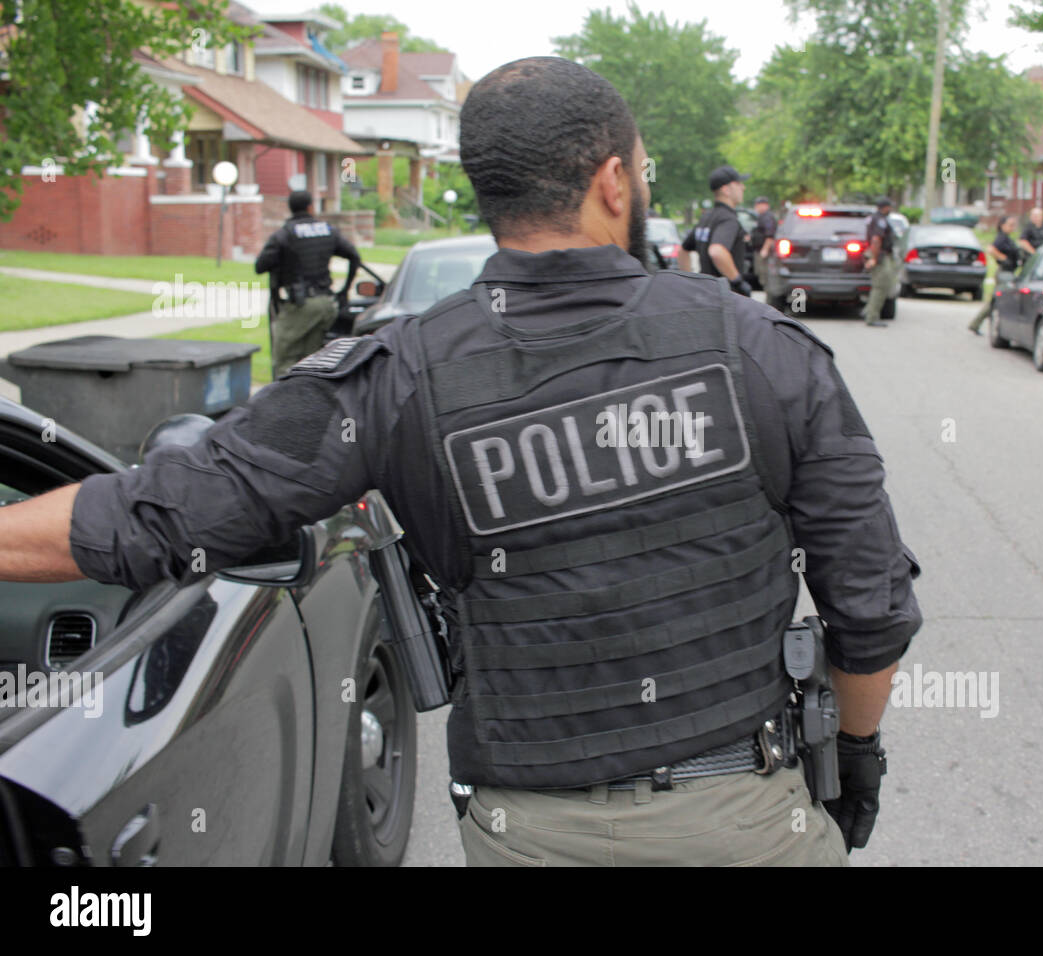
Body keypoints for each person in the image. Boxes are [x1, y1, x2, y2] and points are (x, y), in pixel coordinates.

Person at [0, 56, 921, 867]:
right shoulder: (764, 350)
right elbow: (869, 603)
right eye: (640, 171)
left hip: (530, 833)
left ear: (491, 196)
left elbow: (158, 513)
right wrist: (858, 758)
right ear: (612, 181)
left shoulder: (395, 378)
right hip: (742, 823)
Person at [255, 190, 361, 378]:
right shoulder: (327, 230)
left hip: (299, 306)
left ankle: (283, 404)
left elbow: (260, 266)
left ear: (291, 208)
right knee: (312, 362)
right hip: (326, 304)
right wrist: (344, 291)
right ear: (311, 207)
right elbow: (354, 256)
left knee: (284, 360)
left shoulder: (284, 235)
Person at [682, 164, 753, 296]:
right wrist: (738, 282)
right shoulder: (728, 219)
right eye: (738, 184)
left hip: (706, 294)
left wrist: (689, 282)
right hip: (725, 298)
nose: (743, 187)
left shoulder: (706, 217)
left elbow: (683, 250)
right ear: (726, 190)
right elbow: (717, 251)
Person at [969, 214, 1023, 335]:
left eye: (1013, 225)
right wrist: (1003, 258)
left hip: (1009, 272)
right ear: (1002, 225)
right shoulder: (1001, 238)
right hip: (1003, 273)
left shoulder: (1007, 238)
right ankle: (976, 323)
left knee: (998, 299)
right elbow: (991, 249)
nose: (1012, 227)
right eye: (1010, 225)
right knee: (999, 299)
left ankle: (976, 323)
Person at [861, 196, 898, 327]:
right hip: (879, 256)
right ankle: (872, 317)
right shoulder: (879, 220)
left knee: (881, 285)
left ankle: (868, 311)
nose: (891, 209)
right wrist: (873, 258)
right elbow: (876, 240)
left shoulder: (876, 218)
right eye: (889, 206)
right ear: (885, 207)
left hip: (879, 255)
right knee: (880, 286)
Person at [751, 195, 778, 292]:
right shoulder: (761, 217)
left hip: (764, 252)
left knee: (765, 275)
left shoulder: (767, 217)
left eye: (759, 205)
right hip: (759, 249)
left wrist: (765, 250)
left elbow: (770, 235)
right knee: (761, 275)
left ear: (765, 206)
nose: (757, 207)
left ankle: (769, 296)